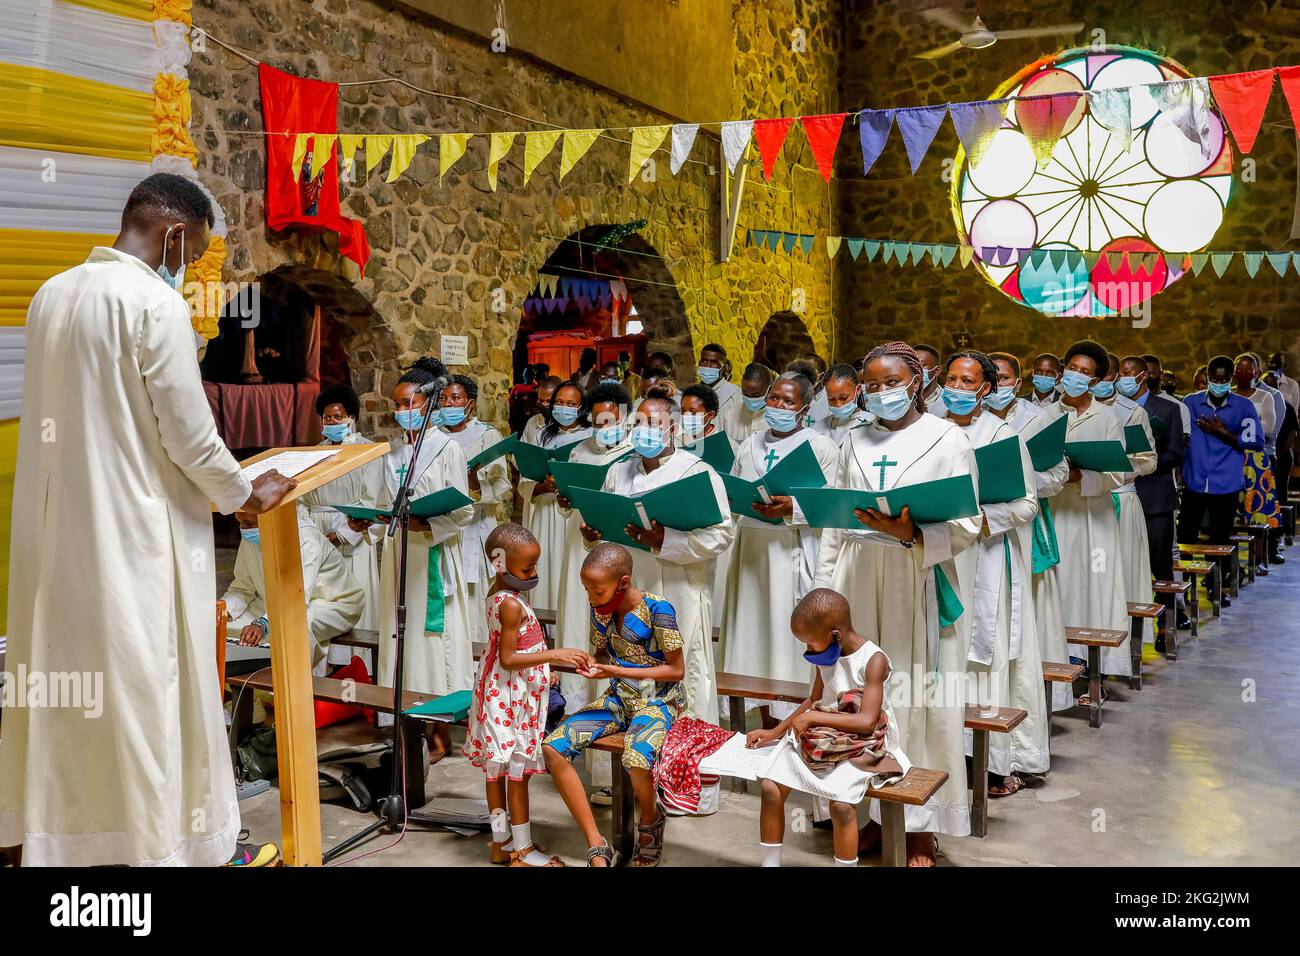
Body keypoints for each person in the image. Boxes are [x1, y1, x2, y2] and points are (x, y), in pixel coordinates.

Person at [1, 172, 296, 866]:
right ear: (172, 235)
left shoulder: (51, 296)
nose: (188, 269)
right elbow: (189, 437)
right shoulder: (151, 306)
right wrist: (246, 490)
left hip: (58, 539)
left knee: (69, 695)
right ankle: (155, 846)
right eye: (191, 255)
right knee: (147, 689)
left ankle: (66, 841)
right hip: (134, 538)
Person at [813, 341, 981, 866]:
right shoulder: (851, 441)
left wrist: (914, 532)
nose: (883, 392)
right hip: (858, 576)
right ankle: (860, 815)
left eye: (893, 382)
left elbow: (968, 522)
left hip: (913, 575)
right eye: (874, 384)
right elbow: (834, 523)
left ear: (917, 383)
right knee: (852, 694)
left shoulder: (946, 439)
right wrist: (823, 594)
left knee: (910, 694)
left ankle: (917, 826)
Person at [582, 394, 734, 724]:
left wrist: (666, 539)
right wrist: (594, 535)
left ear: (674, 428)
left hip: (677, 591)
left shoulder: (698, 473)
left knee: (683, 680)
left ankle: (681, 761)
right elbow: (608, 527)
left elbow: (722, 534)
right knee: (628, 671)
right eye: (637, 423)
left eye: (653, 424)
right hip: (627, 593)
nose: (643, 430)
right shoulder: (617, 472)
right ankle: (628, 758)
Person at [350, 358, 475, 756]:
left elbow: (464, 510)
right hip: (400, 554)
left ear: (429, 405)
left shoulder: (447, 449)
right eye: (398, 404)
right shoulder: (393, 454)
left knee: (429, 641)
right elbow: (382, 505)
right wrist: (365, 523)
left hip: (432, 556)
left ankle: (436, 730)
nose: (403, 411)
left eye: (410, 403)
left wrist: (429, 526)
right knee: (400, 637)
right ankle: (406, 722)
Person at [938, 350, 1047, 791]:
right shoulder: (929, 430)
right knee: (943, 655)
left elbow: (1028, 502)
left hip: (983, 557)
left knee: (983, 656)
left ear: (985, 389)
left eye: (968, 382)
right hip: (939, 553)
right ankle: (941, 751)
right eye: (952, 379)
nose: (958, 389)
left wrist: (985, 519)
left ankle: (987, 760)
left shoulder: (1003, 436)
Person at [543, 543, 685, 867]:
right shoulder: (601, 610)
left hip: (659, 699)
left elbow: (677, 670)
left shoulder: (658, 609)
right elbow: (604, 654)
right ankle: (597, 844)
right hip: (620, 697)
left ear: (622, 583)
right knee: (553, 747)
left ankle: (651, 819)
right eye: (587, 590)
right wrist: (592, 662)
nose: (591, 598)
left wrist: (616, 669)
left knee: (635, 758)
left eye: (598, 590)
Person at [747, 589, 910, 867]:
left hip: (864, 742)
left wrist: (813, 719)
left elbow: (866, 722)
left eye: (810, 644)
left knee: (842, 807)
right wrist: (775, 732)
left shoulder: (873, 660)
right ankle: (769, 864)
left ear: (835, 634)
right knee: (771, 787)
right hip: (825, 736)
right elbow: (814, 700)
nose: (808, 651)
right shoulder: (827, 655)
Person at [465, 523, 590, 867]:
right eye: (527, 568)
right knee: (516, 774)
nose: (533, 573)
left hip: (504, 693)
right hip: (510, 698)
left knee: (496, 774)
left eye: (535, 566)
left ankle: (500, 841)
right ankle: (522, 849)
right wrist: (554, 655)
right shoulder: (510, 605)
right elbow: (508, 658)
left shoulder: (502, 593)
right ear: (500, 564)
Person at [721, 372, 839, 724]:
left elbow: (832, 504)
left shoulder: (820, 447)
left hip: (791, 549)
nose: (778, 406)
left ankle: (791, 716)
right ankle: (755, 714)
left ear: (804, 408)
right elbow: (734, 487)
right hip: (751, 552)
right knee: (751, 630)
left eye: (788, 402)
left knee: (785, 635)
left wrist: (793, 507)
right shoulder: (749, 443)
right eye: (774, 399)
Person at [988, 352, 1073, 713]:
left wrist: (1020, 479)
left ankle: (1034, 694)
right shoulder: (958, 421)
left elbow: (1059, 474)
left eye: (1004, 379)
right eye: (990, 379)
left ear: (1017, 383)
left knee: (1029, 608)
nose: (997, 386)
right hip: (978, 524)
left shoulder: (1037, 419)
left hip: (1026, 520)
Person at [1051, 342, 1131, 688]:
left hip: (1093, 516)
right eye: (1072, 368)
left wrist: (1081, 475)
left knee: (1094, 583)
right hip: (1055, 513)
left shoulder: (1108, 418)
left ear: (1096, 379)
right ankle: (1060, 655)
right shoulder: (1045, 416)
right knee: (1061, 584)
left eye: (1084, 372)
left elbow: (1118, 474)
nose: (1076, 376)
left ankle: (1098, 663)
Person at [554, 382, 635, 712]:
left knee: (613, 621)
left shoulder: (634, 452)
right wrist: (564, 499)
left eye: (611, 421)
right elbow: (568, 505)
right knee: (577, 616)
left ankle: (616, 704)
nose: (604, 428)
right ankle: (576, 707)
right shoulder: (579, 450)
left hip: (615, 545)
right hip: (579, 542)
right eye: (598, 422)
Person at [224, 512, 365, 672]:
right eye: (240, 522)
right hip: (279, 600)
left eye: (249, 523)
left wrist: (262, 623)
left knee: (296, 625)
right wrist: (223, 609)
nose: (244, 529)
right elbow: (243, 587)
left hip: (334, 602)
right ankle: (244, 677)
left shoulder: (306, 539)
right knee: (225, 625)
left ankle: (288, 686)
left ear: (272, 516)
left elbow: (296, 598)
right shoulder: (251, 533)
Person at [299, 383, 383, 639]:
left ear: (352, 418)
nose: (331, 421)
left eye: (337, 416)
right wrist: (312, 536)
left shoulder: (367, 452)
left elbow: (371, 500)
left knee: (350, 592)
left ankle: (356, 661)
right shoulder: (313, 454)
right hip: (317, 532)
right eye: (327, 417)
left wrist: (338, 536)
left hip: (350, 536)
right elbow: (300, 499)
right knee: (322, 597)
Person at [1180, 355, 1263, 607]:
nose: (1218, 383)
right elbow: (1181, 436)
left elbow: (1255, 441)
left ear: (1231, 379)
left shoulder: (1243, 406)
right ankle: (1183, 586)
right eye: (1214, 379)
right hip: (1195, 480)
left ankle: (1218, 586)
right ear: (1207, 376)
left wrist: (1224, 433)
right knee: (1186, 535)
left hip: (1225, 483)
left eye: (1224, 379)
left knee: (1221, 539)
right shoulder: (1191, 403)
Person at [440, 374, 511, 649]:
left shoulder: (486, 435)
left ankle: (480, 656)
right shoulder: (437, 438)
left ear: (469, 404)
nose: (448, 404)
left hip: (477, 527)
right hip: (446, 526)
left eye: (455, 398)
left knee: (478, 591)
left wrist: (474, 482)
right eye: (444, 398)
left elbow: (502, 484)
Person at [1093, 353, 1159, 650]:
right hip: (1085, 501)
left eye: (1107, 378)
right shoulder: (1070, 411)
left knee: (1124, 572)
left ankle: (1125, 647)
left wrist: (1113, 468)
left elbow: (1148, 461)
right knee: (1093, 575)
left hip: (1121, 498)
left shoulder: (1132, 413)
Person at [1126, 357, 1189, 636]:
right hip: (1122, 494)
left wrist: (1138, 461)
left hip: (1156, 496)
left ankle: (1166, 627)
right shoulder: (1114, 407)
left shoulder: (1169, 409)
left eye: (1128, 374)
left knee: (1160, 565)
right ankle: (1128, 626)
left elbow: (1176, 453)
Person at [521, 380, 591, 615]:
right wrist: (543, 485)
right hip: (544, 511)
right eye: (559, 402)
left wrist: (565, 483)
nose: (564, 408)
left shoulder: (591, 437)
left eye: (571, 403)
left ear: (582, 408)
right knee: (546, 566)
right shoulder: (542, 435)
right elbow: (525, 479)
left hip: (574, 514)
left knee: (570, 568)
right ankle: (545, 629)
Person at [1233, 354, 1282, 555]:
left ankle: (1259, 556)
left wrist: (1231, 431)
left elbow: (1268, 428)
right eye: (1240, 368)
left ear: (1257, 372)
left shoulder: (1265, 396)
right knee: (1233, 509)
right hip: (1231, 456)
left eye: (1249, 369)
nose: (1244, 372)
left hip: (1256, 458)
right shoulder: (1228, 394)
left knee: (1257, 508)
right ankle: (1232, 557)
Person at [812, 363, 872, 444]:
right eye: (831, 399)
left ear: (857, 390)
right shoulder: (820, 426)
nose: (838, 404)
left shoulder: (870, 423)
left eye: (844, 397)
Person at [719, 362, 774, 444]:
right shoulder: (731, 414)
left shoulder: (776, 419)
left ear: (768, 390)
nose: (749, 398)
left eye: (755, 395)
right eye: (745, 393)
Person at [1142, 353, 1191, 436]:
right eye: (1142, 375)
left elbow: (1182, 441)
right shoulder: (1127, 403)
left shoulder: (1178, 407)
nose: (1146, 378)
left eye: (1151, 374)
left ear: (1161, 375)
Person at [697, 342, 739, 416]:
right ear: (699, 363)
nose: (707, 366)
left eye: (713, 362)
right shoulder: (692, 393)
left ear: (723, 367)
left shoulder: (735, 394)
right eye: (704, 361)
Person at [912, 343, 944, 410]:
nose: (915, 369)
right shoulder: (902, 399)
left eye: (922, 365)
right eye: (911, 364)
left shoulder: (947, 402)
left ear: (937, 371)